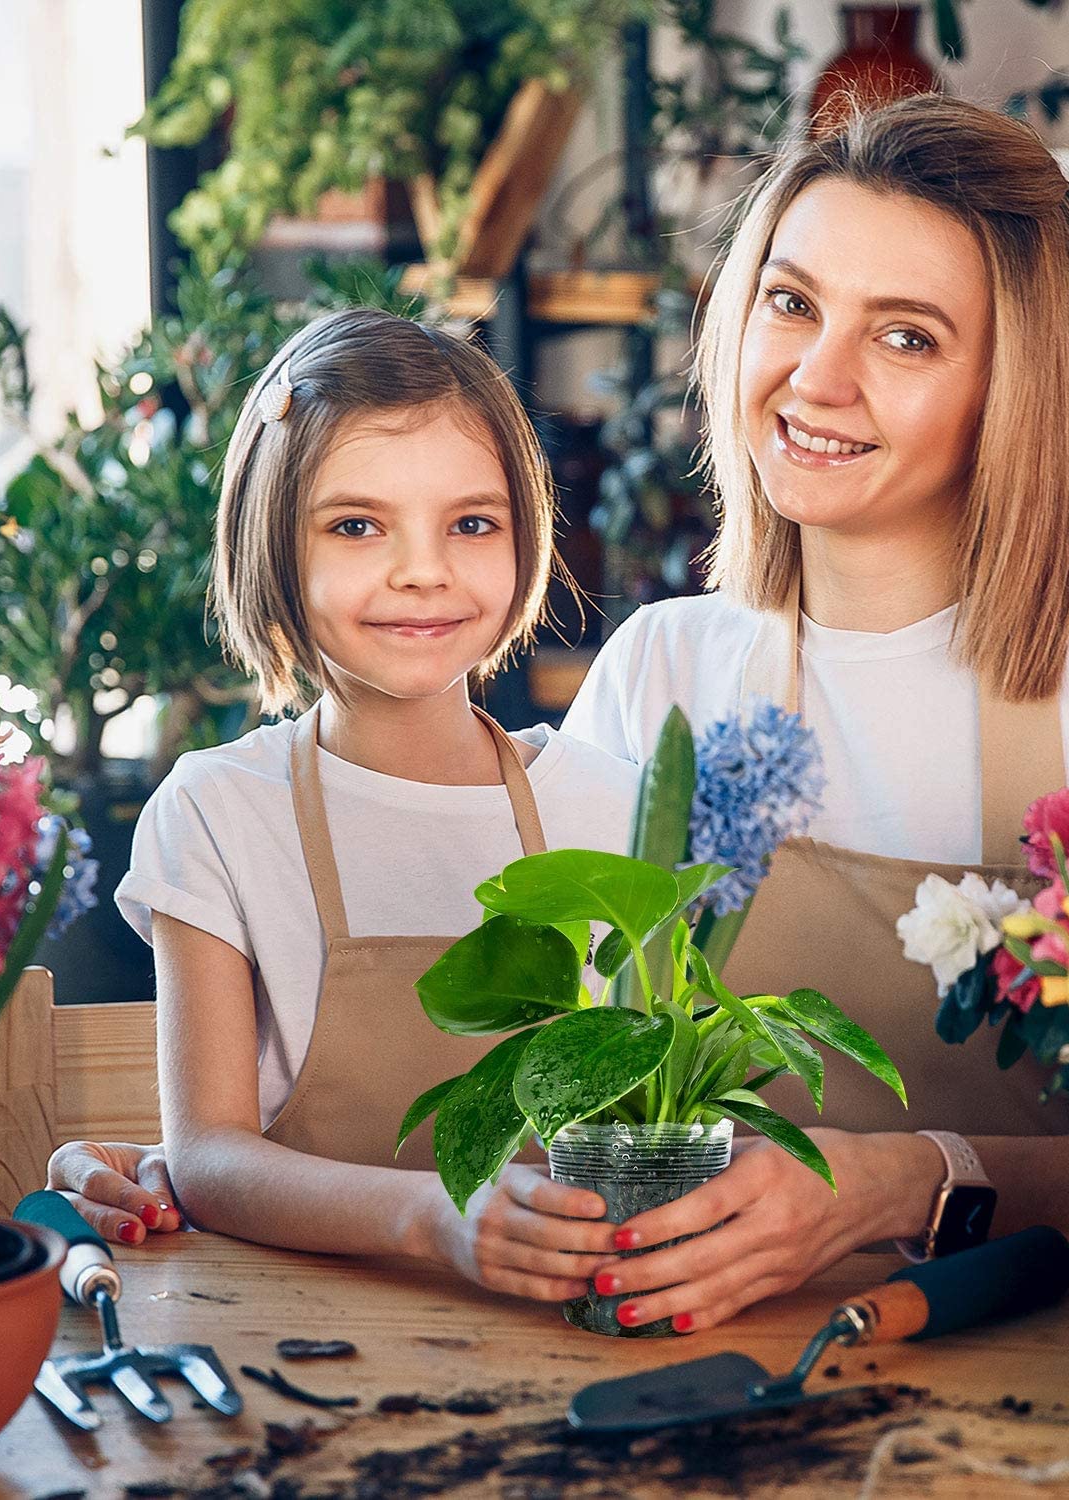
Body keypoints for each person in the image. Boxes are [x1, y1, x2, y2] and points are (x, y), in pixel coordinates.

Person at [50, 97, 1069, 1333]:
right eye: (791, 304)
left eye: (906, 337)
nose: (816, 375)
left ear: (1021, 387)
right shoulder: (663, 674)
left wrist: (909, 1179)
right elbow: (489, 1044)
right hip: (717, 1376)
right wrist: (182, 1171)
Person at [62, 305, 641, 1306]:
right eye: (358, 525)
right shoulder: (217, 812)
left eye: (471, 523)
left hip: (562, 1322)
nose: (424, 569)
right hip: (287, 1332)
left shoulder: (607, 803)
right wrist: (437, 1217)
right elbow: (209, 1158)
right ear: (273, 545)